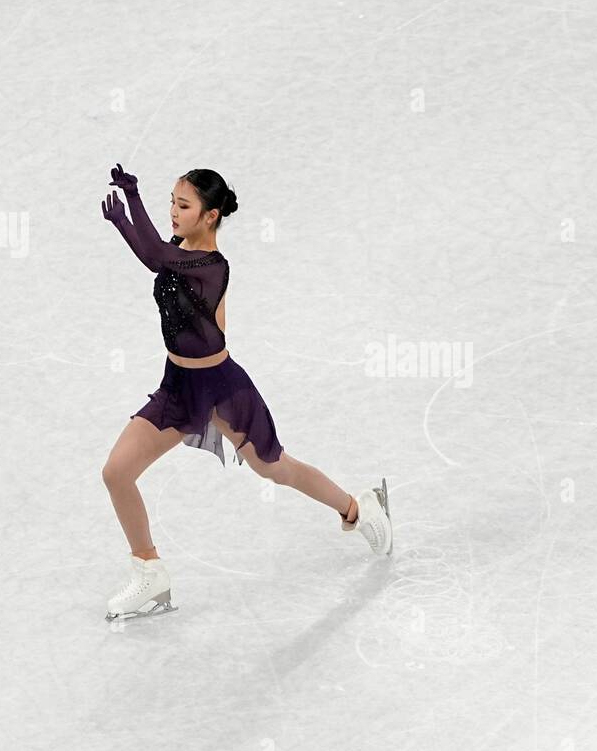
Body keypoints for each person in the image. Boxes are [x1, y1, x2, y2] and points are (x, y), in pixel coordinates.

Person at [98, 163, 392, 621]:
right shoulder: (179, 248)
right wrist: (133, 203)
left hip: (220, 387)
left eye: (183, 205)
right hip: (178, 385)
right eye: (170, 203)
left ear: (210, 215)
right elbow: (160, 250)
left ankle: (358, 507)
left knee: (275, 468)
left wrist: (126, 213)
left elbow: (156, 257)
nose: (173, 212)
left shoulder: (212, 267)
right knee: (117, 472)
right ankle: (150, 573)